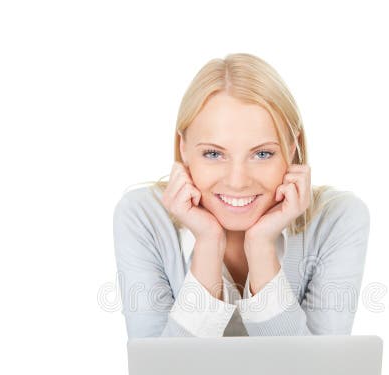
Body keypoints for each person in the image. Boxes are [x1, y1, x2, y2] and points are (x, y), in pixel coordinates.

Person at [113, 53, 370, 338]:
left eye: (262, 154)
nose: (237, 182)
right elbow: (158, 367)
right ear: (183, 147)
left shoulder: (338, 219)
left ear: (292, 147)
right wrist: (208, 245)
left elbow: (320, 366)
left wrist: (261, 248)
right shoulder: (142, 216)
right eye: (214, 154)